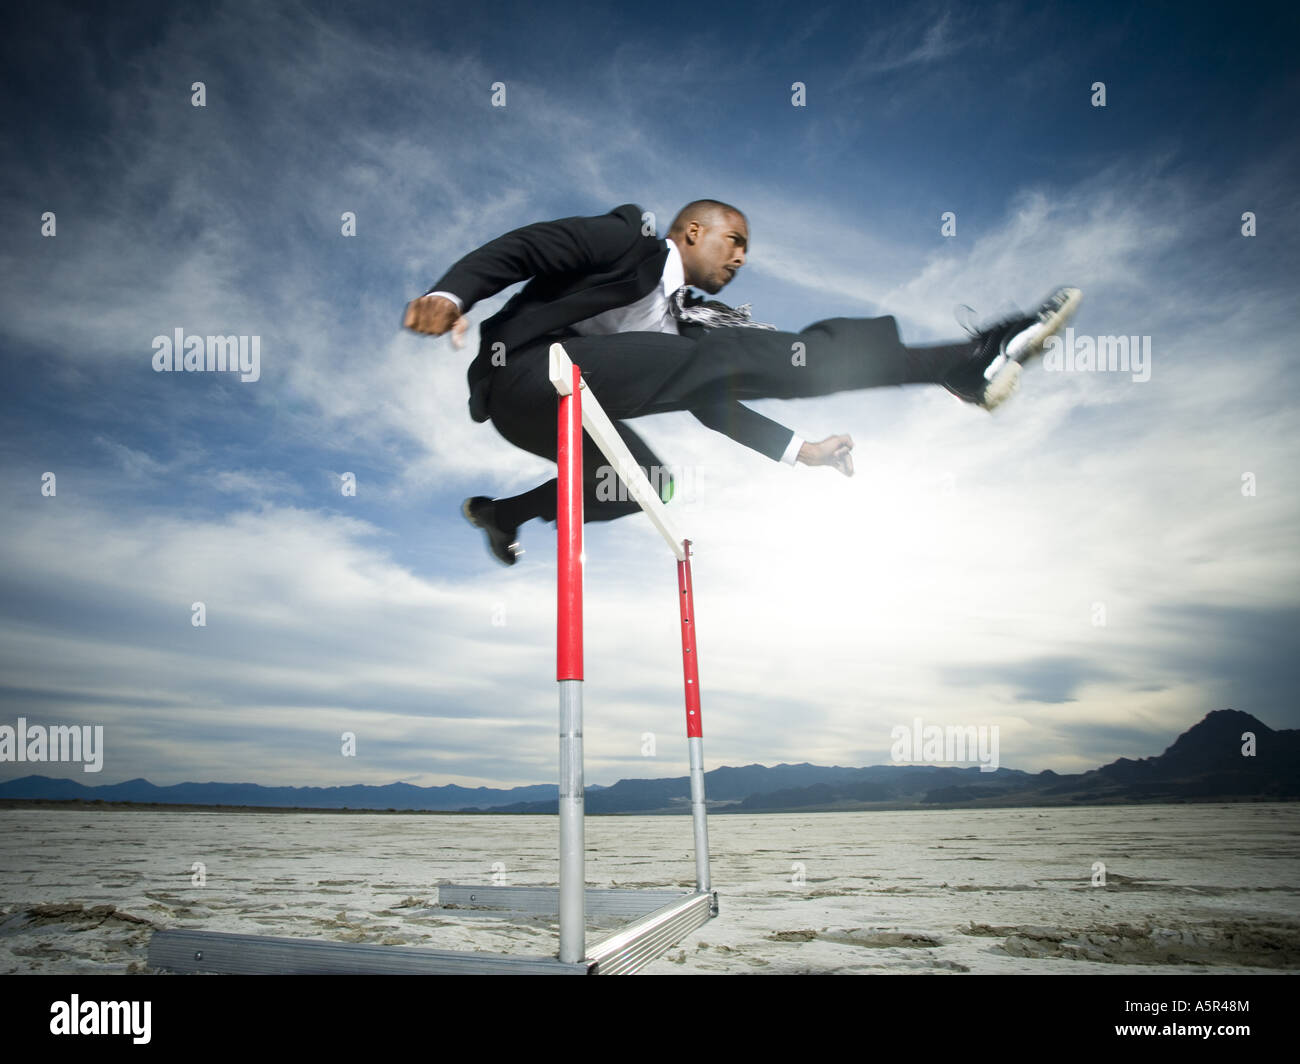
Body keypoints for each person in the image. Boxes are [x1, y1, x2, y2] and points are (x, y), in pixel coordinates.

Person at [403, 200, 1080, 564]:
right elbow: (526, 247)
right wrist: (452, 295)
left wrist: (800, 452)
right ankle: (961, 362)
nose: (743, 257)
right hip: (523, 377)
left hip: (580, 404)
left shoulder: (686, 325)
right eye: (735, 241)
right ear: (692, 231)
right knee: (740, 353)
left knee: (651, 483)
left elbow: (710, 402)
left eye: (749, 250)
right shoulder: (624, 241)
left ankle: (504, 513)